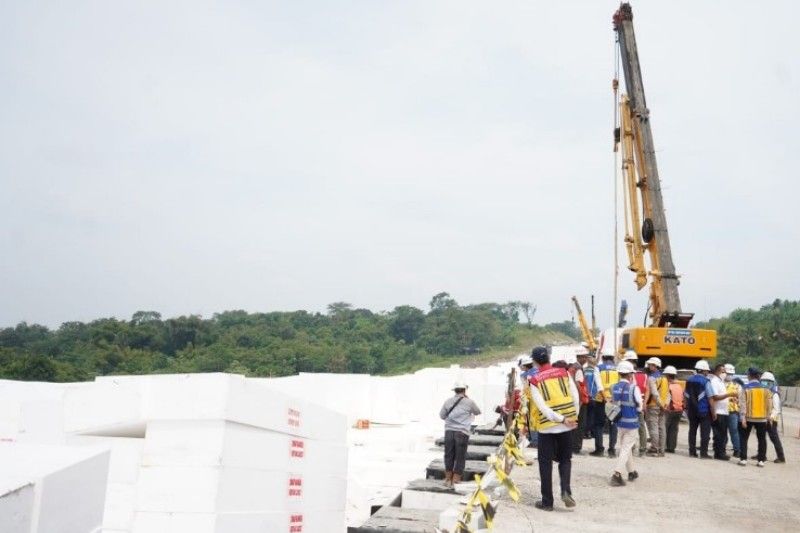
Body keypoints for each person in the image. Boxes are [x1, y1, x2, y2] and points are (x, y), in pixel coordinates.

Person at [527, 346, 580, 511]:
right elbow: (575, 397)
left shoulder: (535, 380)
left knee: (545, 463)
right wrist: (571, 419)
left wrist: (561, 419)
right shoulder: (564, 373)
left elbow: (543, 408)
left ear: (535, 362)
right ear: (549, 357)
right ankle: (565, 490)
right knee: (565, 460)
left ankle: (547, 502)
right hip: (566, 426)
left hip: (547, 428)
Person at [439, 381, 481, 487]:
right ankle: (456, 480)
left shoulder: (448, 401)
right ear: (464, 390)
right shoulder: (469, 402)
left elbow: (442, 416)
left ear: (455, 390)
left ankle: (448, 479)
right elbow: (477, 412)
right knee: (460, 456)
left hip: (449, 431)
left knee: (448, 455)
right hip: (462, 432)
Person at [609, 361, 643, 486]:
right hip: (632, 423)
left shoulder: (614, 387)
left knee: (626, 447)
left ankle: (632, 471)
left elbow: (613, 403)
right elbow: (640, 407)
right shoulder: (634, 388)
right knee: (625, 448)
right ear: (630, 375)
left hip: (619, 422)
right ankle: (617, 474)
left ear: (619, 373)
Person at [738, 367, 772, 467]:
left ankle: (743, 459)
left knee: (744, 438)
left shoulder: (746, 387)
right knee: (762, 439)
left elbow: (742, 403)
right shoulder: (766, 389)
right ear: (758, 376)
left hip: (748, 417)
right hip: (762, 418)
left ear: (749, 375)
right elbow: (769, 404)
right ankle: (761, 460)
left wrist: (743, 418)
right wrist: (768, 417)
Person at [590, 354, 619, 458]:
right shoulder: (617, 368)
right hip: (614, 399)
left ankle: (599, 449)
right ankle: (612, 450)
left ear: (603, 358)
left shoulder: (598, 368)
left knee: (599, 424)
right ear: (613, 358)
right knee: (613, 424)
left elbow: (599, 385)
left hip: (601, 399)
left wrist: (605, 398)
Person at [684, 360, 714, 458]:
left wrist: (686, 407)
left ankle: (692, 452)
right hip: (703, 410)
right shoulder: (706, 381)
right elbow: (710, 398)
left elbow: (685, 395)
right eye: (707, 371)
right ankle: (703, 453)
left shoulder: (689, 380)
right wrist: (713, 412)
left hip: (691, 410)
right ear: (703, 371)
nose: (708, 372)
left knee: (692, 431)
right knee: (705, 432)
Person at [625, 350, 649, 457]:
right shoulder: (644, 375)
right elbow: (647, 390)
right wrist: (644, 403)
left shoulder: (629, 375)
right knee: (640, 427)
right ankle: (640, 449)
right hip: (638, 404)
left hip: (633, 405)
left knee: (633, 427)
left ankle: (634, 448)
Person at [643, 357, 668, 457]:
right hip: (662, 406)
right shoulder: (664, 378)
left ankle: (654, 449)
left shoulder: (651, 378)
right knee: (662, 428)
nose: (649, 366)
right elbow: (667, 394)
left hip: (654, 406)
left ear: (655, 366)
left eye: (651, 365)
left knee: (653, 428)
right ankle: (662, 450)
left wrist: (660, 404)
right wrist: (665, 404)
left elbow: (654, 393)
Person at [760, 372, 786, 464]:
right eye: (763, 381)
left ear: (772, 383)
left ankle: (781, 457)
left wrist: (770, 418)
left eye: (768, 382)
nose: (765, 383)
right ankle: (762, 455)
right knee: (761, 437)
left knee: (774, 438)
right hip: (762, 418)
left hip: (771, 420)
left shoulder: (774, 394)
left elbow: (776, 409)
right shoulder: (762, 392)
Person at [571, 350, 590, 454]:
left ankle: (572, 445)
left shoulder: (573, 367)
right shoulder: (578, 369)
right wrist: (581, 398)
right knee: (580, 424)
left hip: (574, 399)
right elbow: (578, 384)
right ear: (580, 357)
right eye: (585, 357)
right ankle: (576, 447)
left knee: (574, 423)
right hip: (579, 401)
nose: (586, 359)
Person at [663, 366, 683, 454]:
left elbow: (667, 398)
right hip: (679, 410)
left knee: (665, 428)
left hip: (670, 410)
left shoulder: (668, 386)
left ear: (667, 375)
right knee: (674, 429)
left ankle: (662, 446)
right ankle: (671, 448)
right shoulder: (679, 386)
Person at [724, 364, 742, 458]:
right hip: (722, 411)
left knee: (734, 431)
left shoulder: (737, 385)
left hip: (733, 412)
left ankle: (737, 450)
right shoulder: (719, 383)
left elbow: (741, 398)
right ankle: (721, 448)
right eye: (728, 373)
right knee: (722, 431)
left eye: (731, 374)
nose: (729, 375)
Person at [583, 352, 598, 440]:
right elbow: (594, 385)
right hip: (592, 396)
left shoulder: (584, 370)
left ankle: (585, 432)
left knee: (586, 415)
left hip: (585, 395)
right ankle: (589, 432)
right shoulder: (595, 370)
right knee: (591, 415)